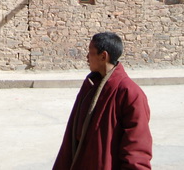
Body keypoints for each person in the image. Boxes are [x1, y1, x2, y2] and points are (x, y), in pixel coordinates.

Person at [53, 31, 152, 170]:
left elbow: (137, 149)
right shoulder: (90, 85)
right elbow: (72, 138)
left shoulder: (130, 93)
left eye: (90, 52)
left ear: (103, 56)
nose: (87, 57)